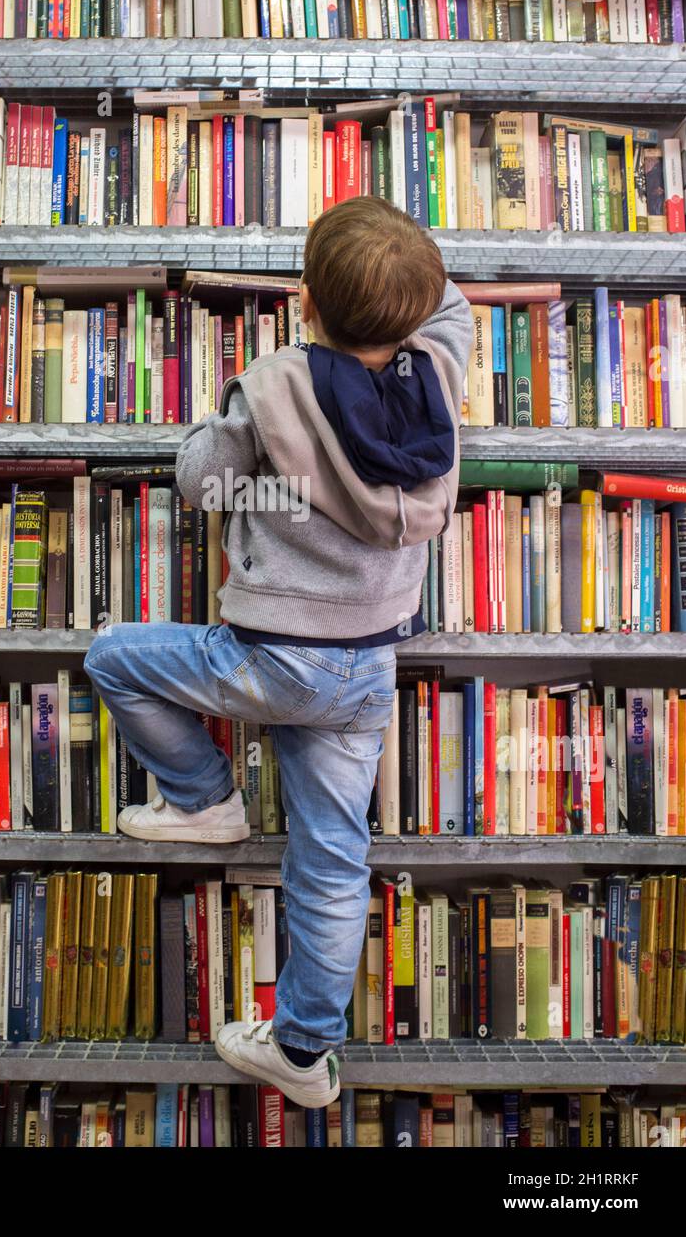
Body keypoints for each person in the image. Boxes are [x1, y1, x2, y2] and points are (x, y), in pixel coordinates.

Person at [85, 195, 473, 1108]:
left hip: (271, 658)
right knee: (333, 862)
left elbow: (198, 482)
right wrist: (394, 286)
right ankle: (302, 1051)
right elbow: (445, 301)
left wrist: (231, 416)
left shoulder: (270, 382)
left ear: (303, 302)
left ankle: (205, 800)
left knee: (113, 656)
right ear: (415, 312)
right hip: (365, 670)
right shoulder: (440, 366)